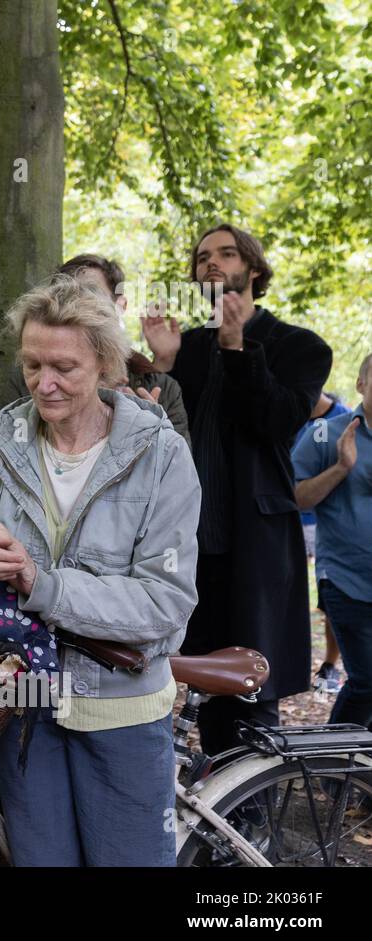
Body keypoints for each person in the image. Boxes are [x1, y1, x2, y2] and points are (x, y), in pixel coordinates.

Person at [0, 274, 201, 866]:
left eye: (64, 368)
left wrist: (40, 585)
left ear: (105, 364)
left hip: (119, 709)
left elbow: (164, 603)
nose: (44, 384)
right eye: (31, 365)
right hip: (25, 705)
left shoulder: (160, 456)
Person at [142, 222, 333, 756]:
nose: (211, 263)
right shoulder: (188, 347)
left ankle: (251, 815)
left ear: (254, 268)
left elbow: (275, 422)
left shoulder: (301, 347)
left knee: (251, 679)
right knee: (187, 676)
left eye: (226, 253)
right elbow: (158, 433)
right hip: (185, 541)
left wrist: (236, 346)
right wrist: (164, 363)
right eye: (203, 256)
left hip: (254, 543)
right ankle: (200, 805)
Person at [293, 353, 372, 731]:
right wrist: (341, 468)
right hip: (347, 580)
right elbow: (296, 497)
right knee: (367, 681)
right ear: (361, 384)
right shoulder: (327, 433)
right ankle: (334, 769)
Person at [52, 254, 190, 443]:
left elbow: (180, 470)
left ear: (121, 305)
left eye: (91, 295)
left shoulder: (165, 389)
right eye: (65, 299)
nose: (77, 309)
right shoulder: (35, 380)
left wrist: (152, 435)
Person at [294, 390, 352, 693]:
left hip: (329, 525)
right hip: (292, 519)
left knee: (330, 597)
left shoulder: (344, 420)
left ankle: (330, 664)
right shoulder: (291, 414)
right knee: (292, 591)